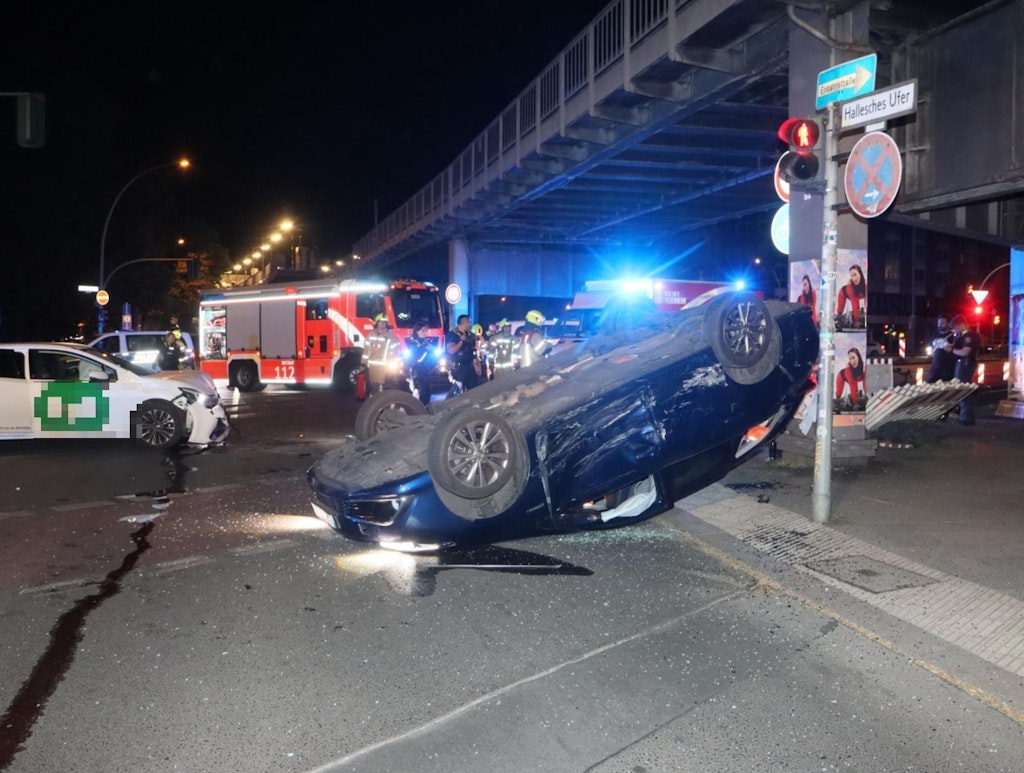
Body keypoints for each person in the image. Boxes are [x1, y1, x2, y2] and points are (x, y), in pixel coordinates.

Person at [950, 314, 980, 425]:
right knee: (961, 390)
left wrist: (951, 350)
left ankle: (966, 419)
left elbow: (965, 352)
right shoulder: (960, 335)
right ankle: (965, 417)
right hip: (960, 364)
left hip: (965, 364)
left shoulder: (970, 336)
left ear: (962, 324)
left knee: (963, 391)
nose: (955, 330)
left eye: (956, 327)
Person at [363, 313, 401, 393]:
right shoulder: (370, 335)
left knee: (384, 388)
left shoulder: (392, 337)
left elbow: (396, 353)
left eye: (384, 322)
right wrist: (363, 364)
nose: (382, 324)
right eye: (381, 322)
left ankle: (382, 404)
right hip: (373, 367)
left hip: (386, 368)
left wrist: (396, 367)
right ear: (377, 322)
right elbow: (366, 350)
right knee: (373, 387)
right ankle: (373, 403)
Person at [446, 314, 479, 391]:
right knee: (459, 391)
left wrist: (477, 364)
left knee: (474, 390)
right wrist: (461, 341)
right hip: (459, 368)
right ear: (464, 323)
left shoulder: (469, 334)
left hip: (470, 366)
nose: (469, 324)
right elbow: (451, 350)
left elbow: (473, 351)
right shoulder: (452, 334)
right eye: (469, 322)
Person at [405, 321, 434, 404]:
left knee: (428, 391)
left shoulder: (425, 342)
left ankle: (426, 408)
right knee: (421, 392)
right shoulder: (413, 343)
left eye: (426, 330)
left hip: (427, 370)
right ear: (417, 331)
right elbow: (416, 358)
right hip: (418, 371)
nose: (425, 333)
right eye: (423, 330)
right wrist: (426, 350)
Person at [835, 346, 867, 412]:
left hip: (856, 379)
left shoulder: (864, 367)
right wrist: (855, 404)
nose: (852, 361)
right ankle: (837, 405)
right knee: (839, 393)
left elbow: (865, 384)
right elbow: (852, 386)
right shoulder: (848, 370)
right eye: (850, 359)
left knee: (857, 391)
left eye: (853, 357)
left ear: (858, 356)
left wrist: (868, 397)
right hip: (841, 376)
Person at [924, 316, 956, 383]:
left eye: (943, 323)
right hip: (935, 367)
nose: (940, 325)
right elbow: (930, 346)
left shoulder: (953, 336)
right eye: (939, 323)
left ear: (948, 324)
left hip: (948, 368)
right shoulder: (935, 335)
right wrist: (930, 353)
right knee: (931, 384)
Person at [835, 264, 866, 330]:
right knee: (840, 311)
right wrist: (857, 322)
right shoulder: (850, 287)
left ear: (860, 273)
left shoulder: (866, 285)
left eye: (855, 274)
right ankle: (837, 320)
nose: (854, 278)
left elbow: (866, 303)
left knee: (860, 310)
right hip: (843, 293)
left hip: (857, 296)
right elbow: (854, 305)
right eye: (851, 276)